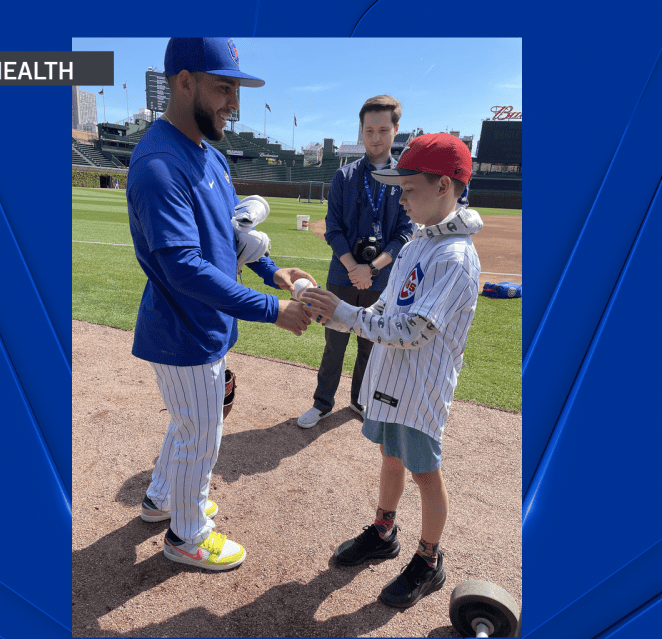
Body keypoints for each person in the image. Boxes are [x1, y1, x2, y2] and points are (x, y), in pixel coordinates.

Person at [126, 37, 315, 571]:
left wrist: (275, 274)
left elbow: (235, 233)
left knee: (190, 425)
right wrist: (273, 310)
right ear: (183, 82)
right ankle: (187, 535)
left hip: (204, 326)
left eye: (236, 88)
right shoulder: (160, 165)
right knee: (200, 436)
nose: (235, 102)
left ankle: (163, 499)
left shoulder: (209, 153)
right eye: (223, 87)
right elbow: (182, 268)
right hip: (183, 329)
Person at [301, 133, 482, 608]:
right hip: (391, 377)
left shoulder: (455, 256)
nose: (399, 198)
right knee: (389, 455)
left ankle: (429, 559)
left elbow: (414, 329)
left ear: (444, 185)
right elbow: (387, 302)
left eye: (408, 189)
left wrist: (348, 315)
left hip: (420, 387)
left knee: (425, 471)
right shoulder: (419, 242)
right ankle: (384, 532)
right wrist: (341, 311)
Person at [296, 95, 414, 429]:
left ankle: (359, 400)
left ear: (396, 130)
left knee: (370, 345)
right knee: (334, 345)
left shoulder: (404, 179)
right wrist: (353, 267)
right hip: (342, 276)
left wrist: (372, 268)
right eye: (368, 130)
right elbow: (333, 230)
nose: (375, 137)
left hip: (381, 280)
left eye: (382, 129)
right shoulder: (344, 177)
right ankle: (322, 404)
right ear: (360, 131)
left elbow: (404, 233)